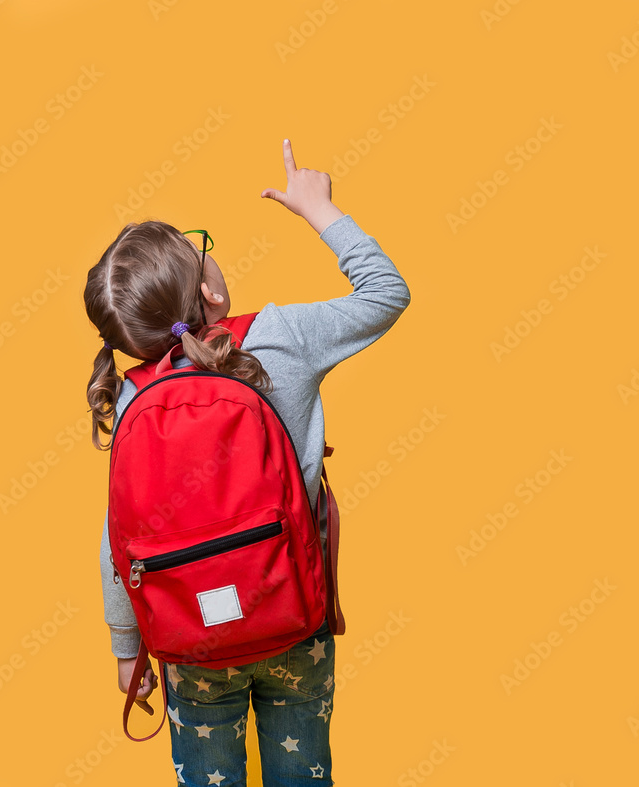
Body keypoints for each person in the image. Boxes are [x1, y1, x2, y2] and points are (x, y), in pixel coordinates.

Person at [83, 138, 410, 787]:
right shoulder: (281, 336)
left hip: (191, 642)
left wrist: (127, 649)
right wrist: (320, 210)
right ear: (208, 288)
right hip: (293, 619)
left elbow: (117, 541)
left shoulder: (130, 395)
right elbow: (386, 292)